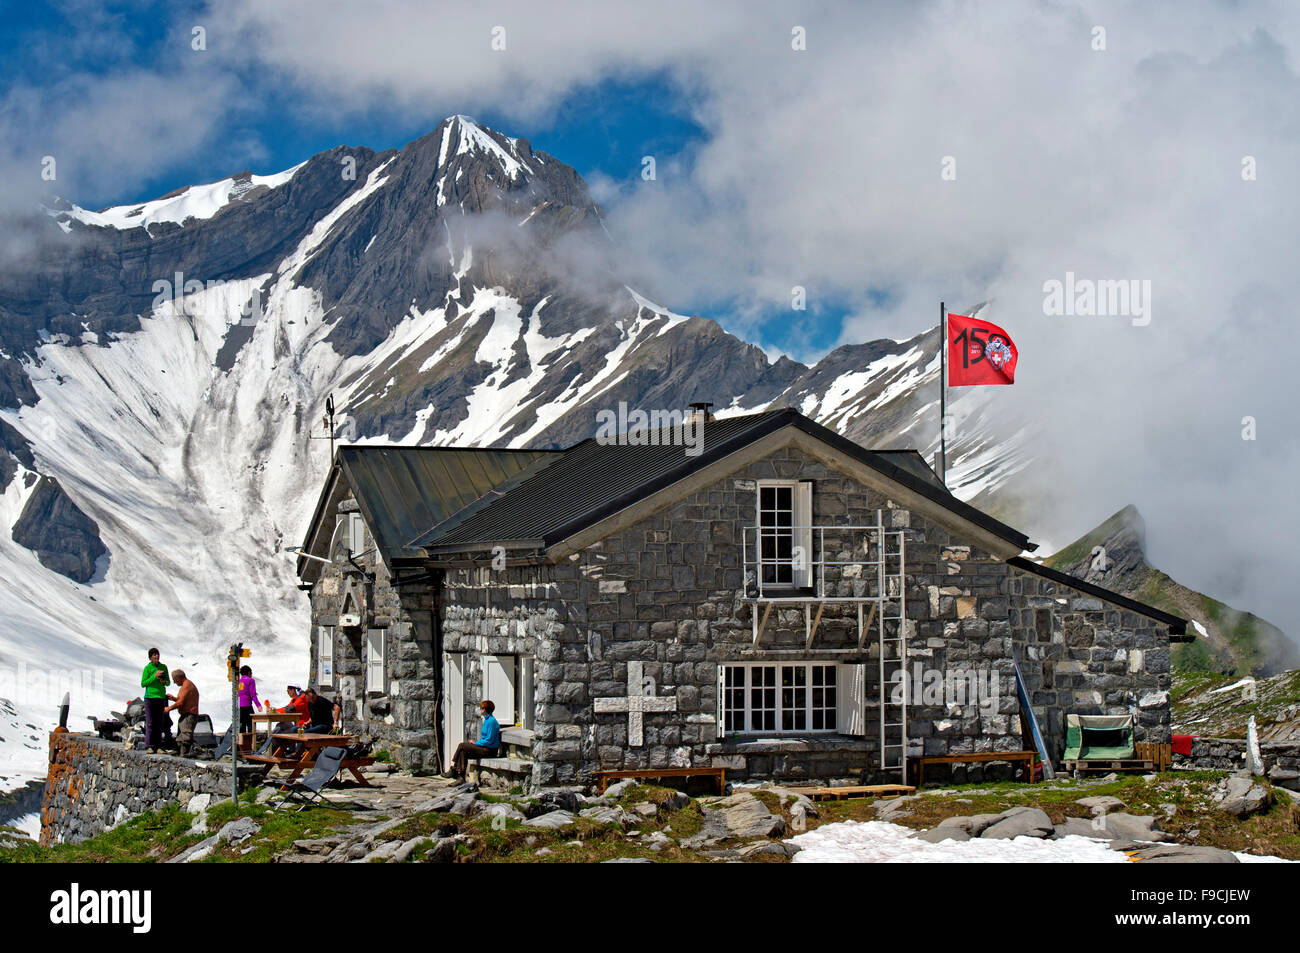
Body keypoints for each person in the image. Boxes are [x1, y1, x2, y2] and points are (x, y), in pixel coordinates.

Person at [445, 699, 500, 780]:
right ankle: (460, 777)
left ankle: (454, 769)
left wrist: (476, 743)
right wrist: (476, 743)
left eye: (482, 708)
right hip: (485, 747)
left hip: (490, 750)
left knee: (462, 745)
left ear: (486, 710)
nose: (481, 710)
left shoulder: (491, 721)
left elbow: (489, 740)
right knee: (463, 751)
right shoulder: (487, 720)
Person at [164, 669, 200, 757]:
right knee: (180, 738)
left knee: (185, 738)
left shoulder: (186, 686)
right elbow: (183, 700)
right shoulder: (186, 685)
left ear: (179, 678)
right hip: (185, 715)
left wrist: (168, 708)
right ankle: (181, 754)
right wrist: (174, 699)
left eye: (175, 680)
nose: (175, 682)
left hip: (189, 715)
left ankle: (186, 754)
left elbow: (180, 703)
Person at [139, 648, 169, 753]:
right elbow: (143, 683)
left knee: (159, 722)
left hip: (160, 697)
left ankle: (158, 745)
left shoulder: (163, 667)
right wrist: (154, 676)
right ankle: (150, 745)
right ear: (150, 657)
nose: (156, 657)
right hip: (150, 697)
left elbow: (168, 682)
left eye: (157, 655)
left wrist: (163, 680)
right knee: (150, 722)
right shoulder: (147, 668)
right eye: (154, 655)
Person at [237, 666, 260, 734]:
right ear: (249, 672)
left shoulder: (240, 681)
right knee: (251, 726)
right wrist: (258, 705)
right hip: (247, 706)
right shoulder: (250, 680)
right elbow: (253, 695)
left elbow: (240, 693)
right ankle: (251, 742)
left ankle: (242, 743)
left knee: (242, 726)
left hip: (240, 706)